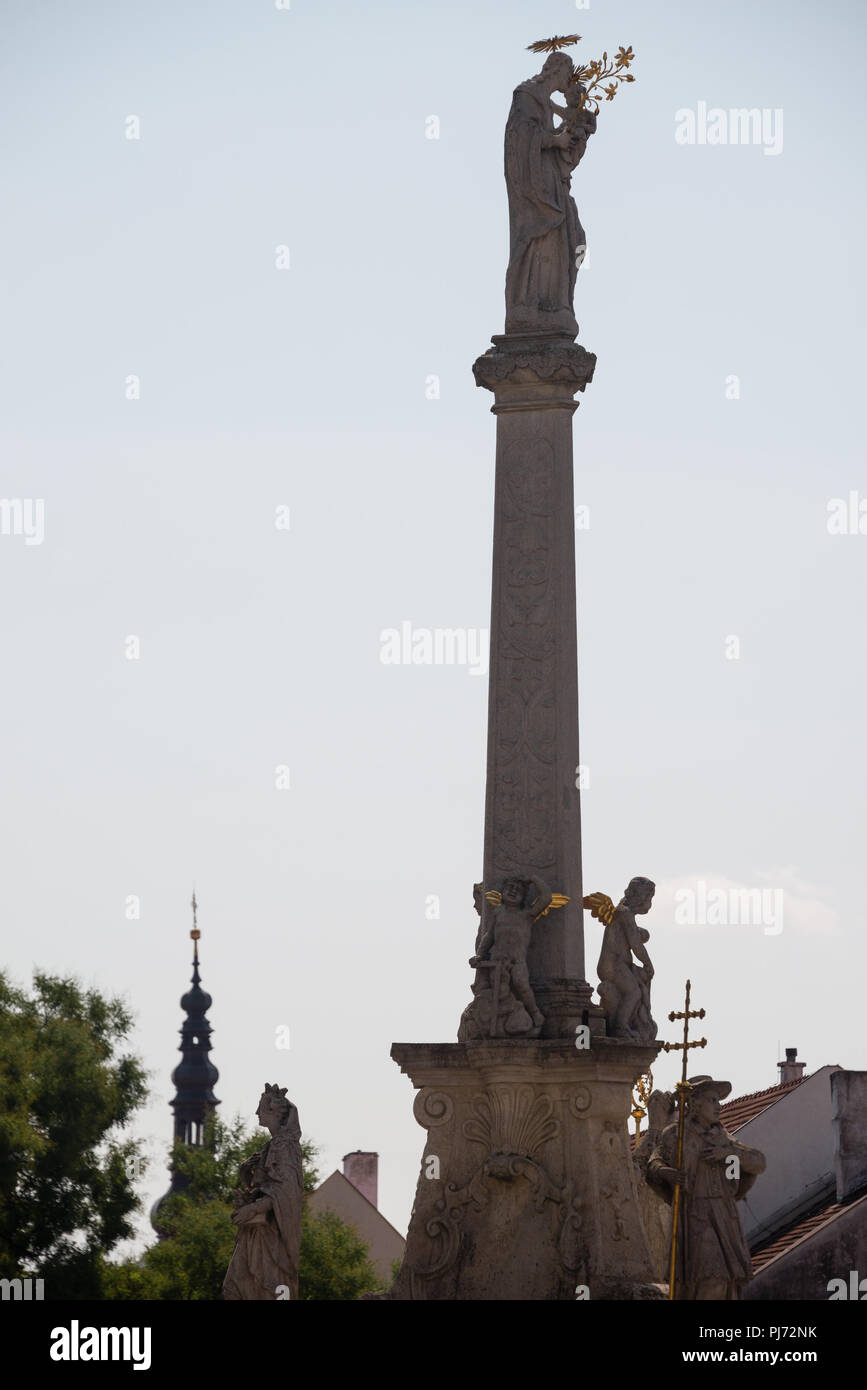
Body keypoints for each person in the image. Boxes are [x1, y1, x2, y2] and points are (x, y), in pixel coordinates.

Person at [647, 1076, 766, 1300]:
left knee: (723, 1281)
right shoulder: (675, 1135)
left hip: (723, 1214)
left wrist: (730, 1153)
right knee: (707, 1279)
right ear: (695, 1103)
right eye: (713, 1100)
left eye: (719, 1101)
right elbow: (653, 1163)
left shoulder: (722, 1138)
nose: (719, 1106)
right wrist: (665, 1173)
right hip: (694, 1215)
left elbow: (759, 1162)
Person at [503, 52, 595, 335]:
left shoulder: (543, 99)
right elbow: (521, 136)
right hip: (534, 187)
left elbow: (552, 138)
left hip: (551, 181)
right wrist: (555, 140)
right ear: (556, 70)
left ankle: (555, 304)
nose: (570, 80)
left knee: (569, 238)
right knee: (539, 237)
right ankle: (529, 304)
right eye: (568, 73)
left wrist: (567, 139)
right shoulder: (527, 94)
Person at [222, 1083, 303, 1300]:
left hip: (269, 1237)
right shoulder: (272, 1145)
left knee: (260, 1289)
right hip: (255, 1232)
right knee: (234, 1288)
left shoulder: (285, 1146)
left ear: (273, 1112)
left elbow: (284, 1191)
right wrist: (246, 1186)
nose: (256, 1113)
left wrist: (253, 1209)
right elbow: (265, 1186)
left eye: (260, 1108)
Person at [470, 874, 553, 1035]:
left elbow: (546, 898)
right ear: (502, 892)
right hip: (497, 961)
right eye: (510, 888)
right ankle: (503, 1021)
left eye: (518, 890)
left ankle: (535, 1013)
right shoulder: (498, 913)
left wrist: (534, 878)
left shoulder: (527, 915)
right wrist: (480, 955)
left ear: (523, 897)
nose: (513, 891)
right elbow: (489, 937)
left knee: (522, 985)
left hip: (517, 961)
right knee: (498, 991)